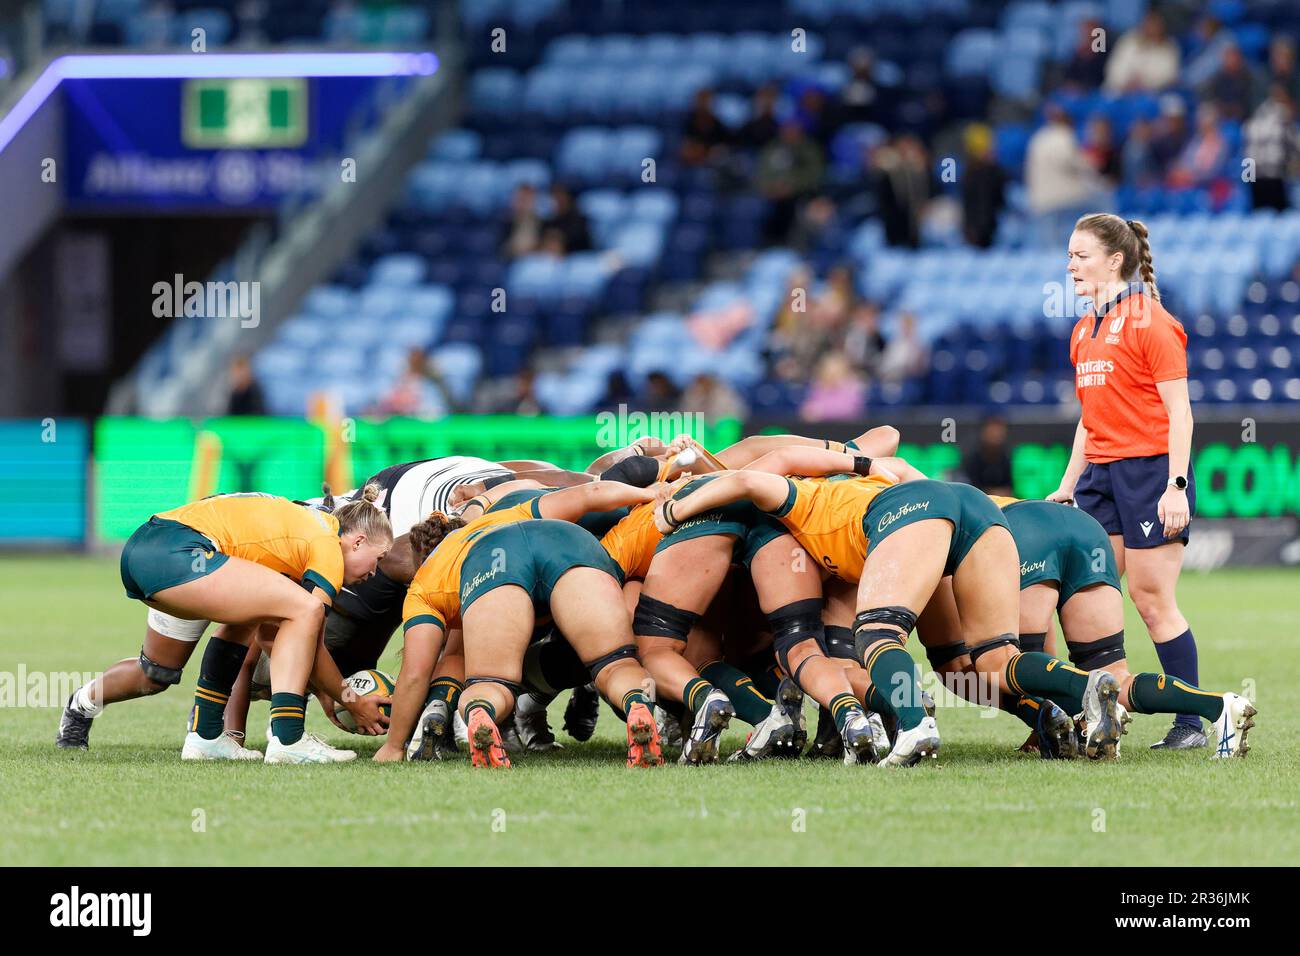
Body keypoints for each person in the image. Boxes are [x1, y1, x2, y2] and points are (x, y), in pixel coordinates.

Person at [656, 445, 1128, 766]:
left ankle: (916, 725)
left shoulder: (801, 497)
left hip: (915, 514)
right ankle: (1087, 688)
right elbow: (893, 454)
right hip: (975, 512)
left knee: (877, 636)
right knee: (987, 662)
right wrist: (864, 464)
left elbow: (747, 479)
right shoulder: (851, 486)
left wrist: (673, 509)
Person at [56, 489, 394, 764]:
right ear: (358, 541)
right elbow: (308, 632)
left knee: (155, 673)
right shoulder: (326, 544)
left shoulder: (296, 531)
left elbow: (268, 634)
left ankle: (201, 736)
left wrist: (329, 690)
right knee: (306, 609)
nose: (375, 574)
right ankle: (289, 739)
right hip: (184, 552)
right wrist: (350, 699)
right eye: (378, 559)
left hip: (149, 550)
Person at [1049, 213, 1206, 750]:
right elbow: (1089, 418)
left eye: (1081, 255)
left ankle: (1190, 723)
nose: (1070, 264)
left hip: (1149, 472)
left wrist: (1177, 484)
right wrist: (1069, 483)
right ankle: (1095, 711)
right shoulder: (1081, 328)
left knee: (1150, 597)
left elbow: (1180, 414)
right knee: (1083, 591)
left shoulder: (1152, 321)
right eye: (1069, 255)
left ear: (1115, 260)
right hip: (1100, 476)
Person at [373, 481, 665, 769]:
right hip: (567, 541)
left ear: (418, 565)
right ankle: (637, 704)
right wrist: (649, 493)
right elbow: (592, 492)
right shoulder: (499, 514)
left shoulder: (423, 586)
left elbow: (414, 674)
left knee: (491, 683)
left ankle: (481, 712)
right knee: (617, 665)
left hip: (493, 561)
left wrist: (393, 745)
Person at [993, 497, 1256, 759]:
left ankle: (1082, 715)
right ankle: (1219, 706)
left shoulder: (957, 515)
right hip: (1086, 528)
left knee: (994, 666)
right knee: (1115, 678)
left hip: (1024, 531)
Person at [1244, 85, 1299, 211]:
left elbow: (1247, 156)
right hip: (1275, 178)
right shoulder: (1283, 117)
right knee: (1280, 220)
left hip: (1255, 178)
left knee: (1259, 220)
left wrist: (1248, 179)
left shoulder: (1252, 120)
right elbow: (1294, 147)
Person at [1104, 11, 1180, 94]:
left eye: (1155, 24)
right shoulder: (1129, 40)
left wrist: (1145, 82)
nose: (1151, 28)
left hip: (1153, 94)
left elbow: (1169, 76)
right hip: (1120, 90)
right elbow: (1114, 68)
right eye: (1149, 23)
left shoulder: (1169, 48)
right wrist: (1126, 82)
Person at [960, 124, 1006, 248]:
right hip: (976, 227)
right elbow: (970, 203)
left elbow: (999, 198)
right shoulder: (970, 174)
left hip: (991, 225)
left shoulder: (994, 171)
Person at [962, 415, 1013, 497]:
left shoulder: (1008, 460)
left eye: (999, 432)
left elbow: (1011, 490)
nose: (996, 435)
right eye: (992, 431)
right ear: (983, 433)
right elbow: (969, 491)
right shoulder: (972, 461)